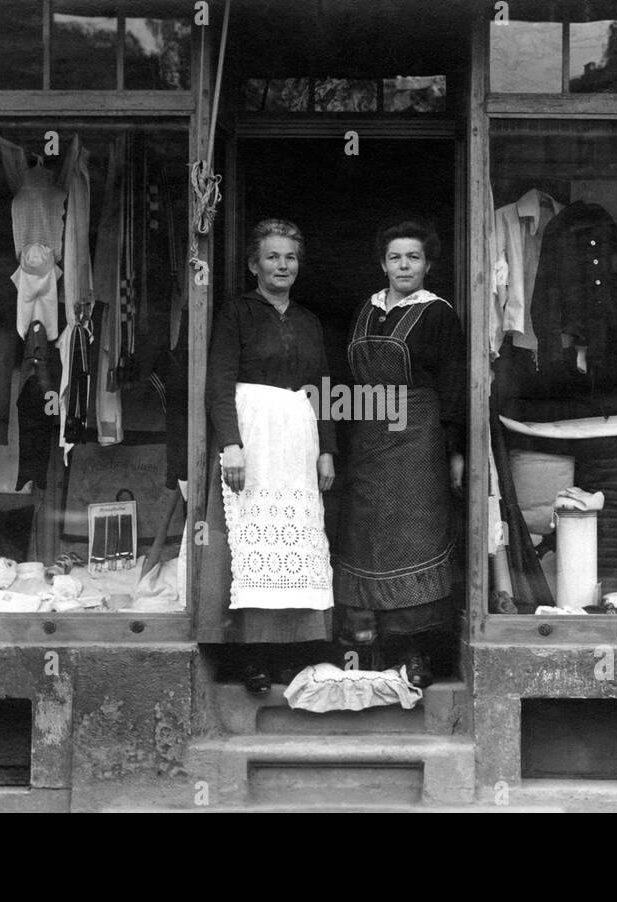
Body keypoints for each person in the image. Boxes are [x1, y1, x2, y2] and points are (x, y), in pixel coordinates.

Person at [197, 219, 336, 693]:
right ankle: (250, 659)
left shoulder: (308, 321)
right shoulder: (235, 313)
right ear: (255, 264)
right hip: (251, 435)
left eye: (290, 257)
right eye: (273, 257)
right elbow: (217, 384)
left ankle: (293, 657)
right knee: (252, 544)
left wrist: (327, 451)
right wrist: (230, 443)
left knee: (295, 543)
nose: (283, 265)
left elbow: (322, 389)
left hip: (298, 438)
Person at [335, 221, 465, 689]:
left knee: (415, 536)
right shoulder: (366, 310)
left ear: (428, 265)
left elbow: (453, 388)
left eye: (413, 258)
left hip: (419, 439)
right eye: (396, 258)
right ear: (383, 264)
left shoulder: (439, 315)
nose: (404, 266)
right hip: (368, 437)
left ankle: (417, 653)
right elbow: (346, 382)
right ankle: (369, 648)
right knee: (366, 533)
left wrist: (454, 451)